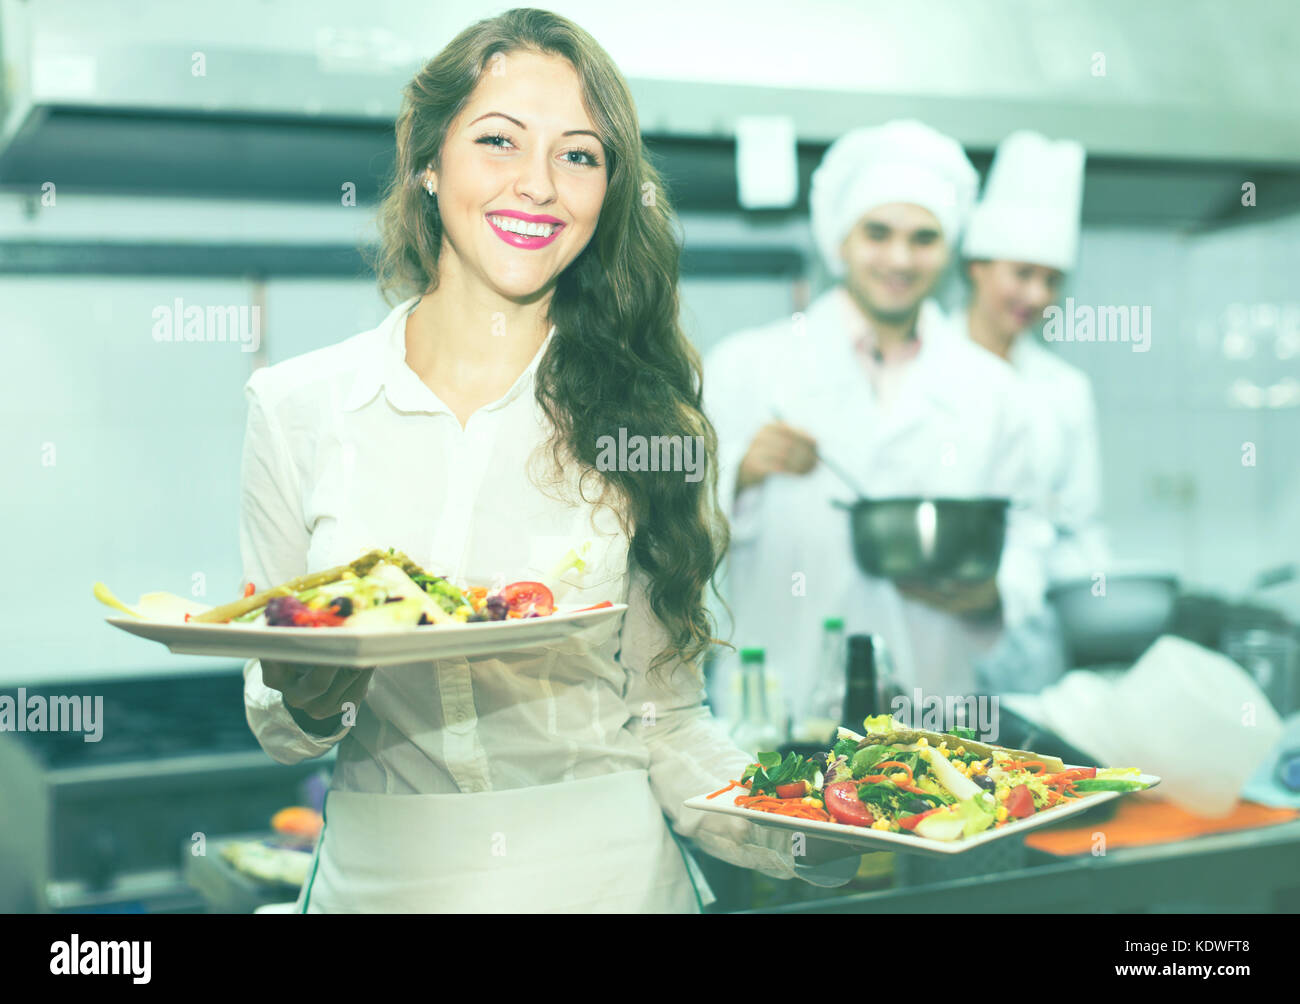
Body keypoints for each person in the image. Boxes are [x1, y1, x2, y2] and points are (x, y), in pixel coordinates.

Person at [238, 8, 858, 914]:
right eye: (498, 141)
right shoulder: (295, 409)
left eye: (578, 155)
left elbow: (667, 722)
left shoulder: (646, 422)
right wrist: (309, 696)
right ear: (428, 161)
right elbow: (277, 719)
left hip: (608, 883)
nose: (539, 186)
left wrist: (806, 831)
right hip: (380, 887)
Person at [704, 120, 1052, 733]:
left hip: (935, 700)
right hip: (779, 701)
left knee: (935, 816)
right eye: (877, 233)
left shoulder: (994, 391)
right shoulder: (749, 366)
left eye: (924, 238)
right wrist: (738, 468)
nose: (899, 258)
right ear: (840, 242)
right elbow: (669, 525)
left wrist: (995, 595)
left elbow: (1029, 531)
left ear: (949, 252)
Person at [959, 130, 1110, 586]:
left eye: (1051, 280)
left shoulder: (1066, 389)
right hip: (935, 613)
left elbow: (1082, 524)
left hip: (1038, 623)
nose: (1037, 295)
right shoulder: (920, 369)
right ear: (976, 267)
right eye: (1022, 273)